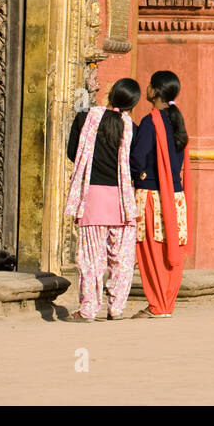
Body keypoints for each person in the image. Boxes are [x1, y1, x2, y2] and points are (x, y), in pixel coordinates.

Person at [63, 78, 141, 322]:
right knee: (122, 257)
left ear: (111, 95)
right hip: (122, 202)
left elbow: (72, 152)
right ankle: (116, 307)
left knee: (91, 259)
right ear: (134, 103)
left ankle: (88, 309)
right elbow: (137, 166)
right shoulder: (133, 129)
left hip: (93, 198)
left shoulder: (86, 119)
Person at [130, 70, 193, 318]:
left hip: (151, 196)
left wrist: (138, 175)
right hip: (175, 197)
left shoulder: (150, 121)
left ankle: (157, 304)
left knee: (151, 250)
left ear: (155, 91)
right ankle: (166, 303)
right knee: (170, 249)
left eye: (149, 85)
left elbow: (138, 157)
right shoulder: (178, 120)